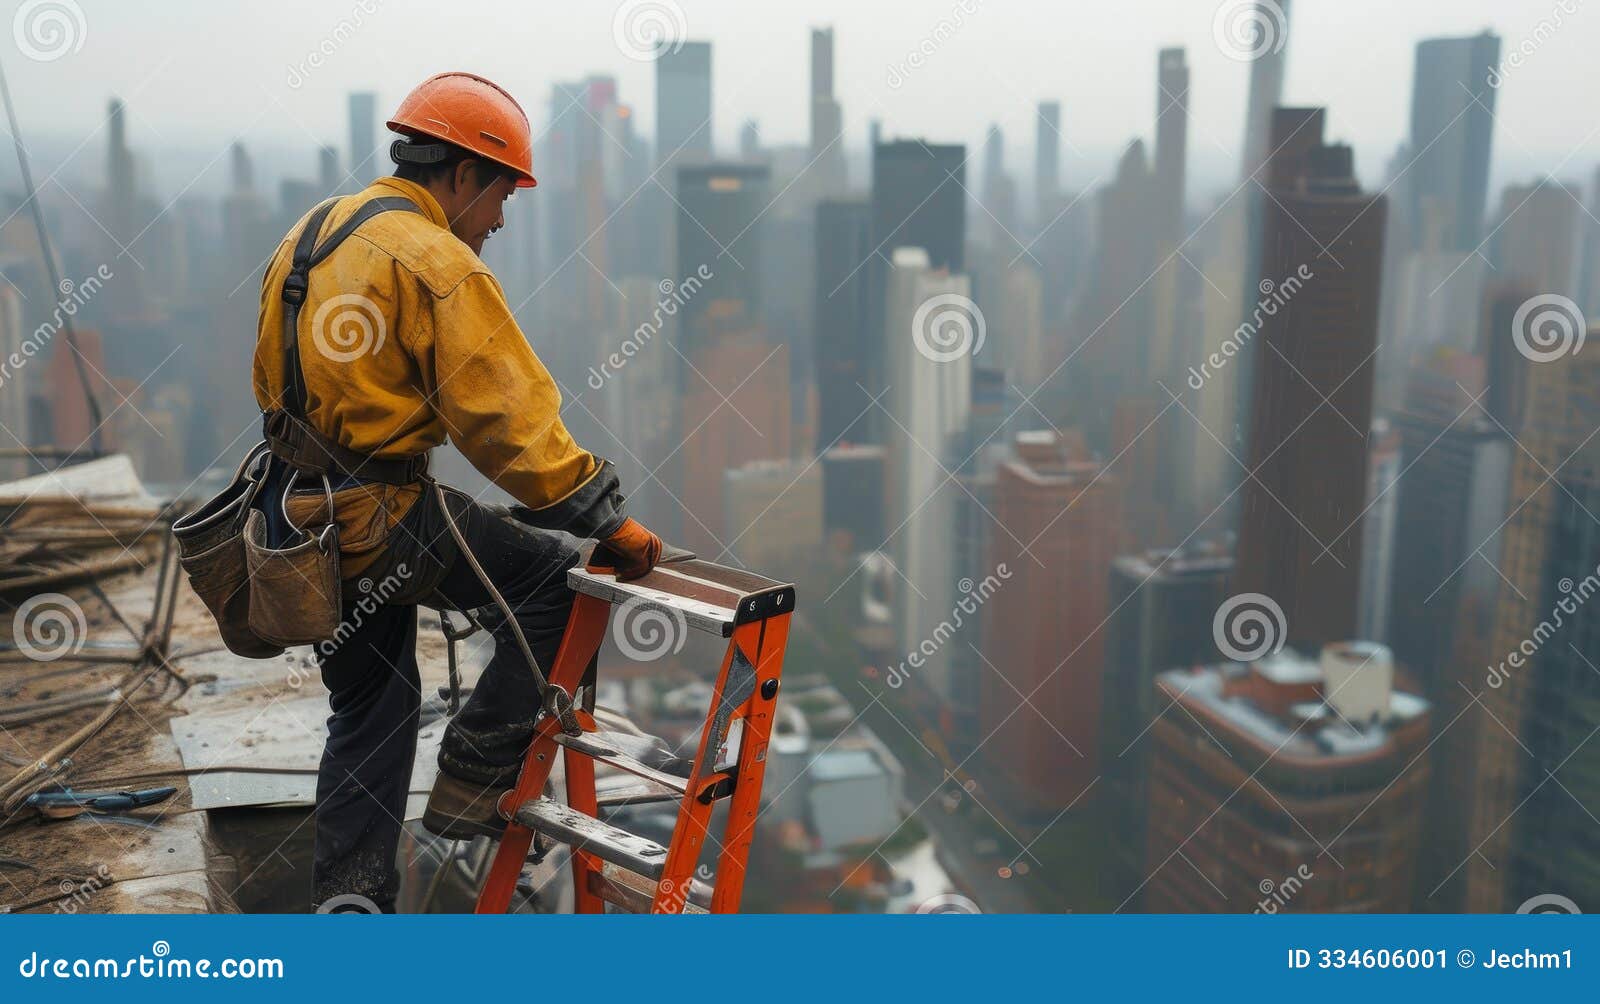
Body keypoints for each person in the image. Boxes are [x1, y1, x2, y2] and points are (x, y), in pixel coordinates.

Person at [250, 71, 663, 912]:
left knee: (374, 702)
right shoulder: (435, 261)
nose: (501, 220)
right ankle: (474, 776)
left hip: (293, 514)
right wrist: (603, 519)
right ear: (464, 175)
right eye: (501, 194)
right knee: (550, 580)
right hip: (378, 516)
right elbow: (507, 425)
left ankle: (350, 903)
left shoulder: (313, 233)